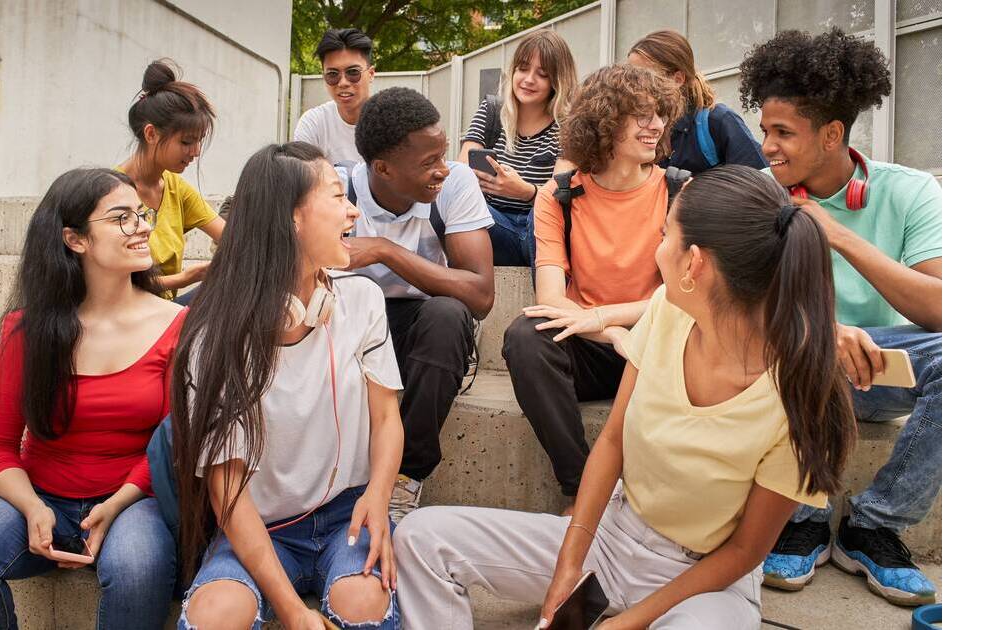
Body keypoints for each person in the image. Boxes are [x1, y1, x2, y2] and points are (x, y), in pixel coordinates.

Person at [394, 165, 859, 629]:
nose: (658, 251)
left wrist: (626, 622)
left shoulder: (802, 394)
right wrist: (568, 568)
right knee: (421, 537)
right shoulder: (666, 312)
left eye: (665, 237)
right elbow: (613, 442)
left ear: (694, 262)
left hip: (706, 580)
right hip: (614, 537)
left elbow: (743, 552)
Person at [739, 28, 942, 606]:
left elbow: (944, 308)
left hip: (878, 369)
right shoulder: (757, 194)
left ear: (832, 134)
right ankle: (802, 512)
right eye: (765, 132)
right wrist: (819, 331)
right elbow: (734, 307)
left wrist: (838, 237)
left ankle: (874, 525)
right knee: (786, 338)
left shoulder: (909, 192)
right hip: (790, 363)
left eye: (783, 133)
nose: (768, 147)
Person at [171, 143, 405, 630]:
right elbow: (228, 490)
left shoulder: (361, 300)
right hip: (259, 523)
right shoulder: (214, 335)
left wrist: (379, 496)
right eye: (338, 196)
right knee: (214, 614)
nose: (353, 210)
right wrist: (294, 613)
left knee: (363, 603)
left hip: (349, 513)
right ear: (292, 218)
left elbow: (386, 418)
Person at [0, 168, 182, 629]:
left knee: (137, 567)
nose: (141, 226)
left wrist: (117, 503)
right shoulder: (27, 328)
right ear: (75, 239)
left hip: (137, 499)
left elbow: (174, 442)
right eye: (122, 218)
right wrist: (33, 507)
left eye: (142, 215)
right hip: (41, 498)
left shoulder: (176, 324)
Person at [503, 64, 683, 504]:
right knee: (524, 336)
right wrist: (608, 332)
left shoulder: (680, 192)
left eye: (660, 114)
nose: (656, 125)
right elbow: (549, 301)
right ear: (604, 122)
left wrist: (609, 318)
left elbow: (680, 296)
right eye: (642, 114)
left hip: (653, 343)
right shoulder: (557, 195)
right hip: (587, 343)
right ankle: (581, 490)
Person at [340, 86, 495, 522]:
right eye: (428, 162)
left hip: (421, 324)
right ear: (383, 168)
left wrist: (386, 251)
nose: (442, 170)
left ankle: (404, 477)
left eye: (443, 155)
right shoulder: (339, 190)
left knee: (450, 316)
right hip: (354, 321)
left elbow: (481, 296)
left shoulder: (455, 184)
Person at [457, 28, 577, 267]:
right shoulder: (491, 111)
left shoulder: (569, 125)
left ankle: (550, 297)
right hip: (494, 225)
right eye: (522, 69)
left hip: (542, 229)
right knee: (451, 204)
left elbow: (562, 198)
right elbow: (459, 177)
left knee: (541, 212)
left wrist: (526, 191)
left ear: (558, 80)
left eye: (542, 74)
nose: (528, 79)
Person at [117, 59, 224, 303]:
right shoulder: (112, 193)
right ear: (151, 134)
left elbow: (230, 236)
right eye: (186, 142)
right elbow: (117, 283)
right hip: (125, 316)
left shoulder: (176, 189)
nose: (196, 152)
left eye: (199, 141)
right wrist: (185, 278)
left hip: (164, 313)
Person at [627, 29, 766, 174]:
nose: (632, 86)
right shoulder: (633, 127)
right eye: (630, 77)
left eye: (645, 77)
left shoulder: (718, 121)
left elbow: (763, 183)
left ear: (677, 79)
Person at [294, 28, 376, 164]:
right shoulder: (314, 123)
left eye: (353, 72)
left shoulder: (393, 122)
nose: (343, 83)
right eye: (333, 74)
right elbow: (301, 179)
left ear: (371, 74)